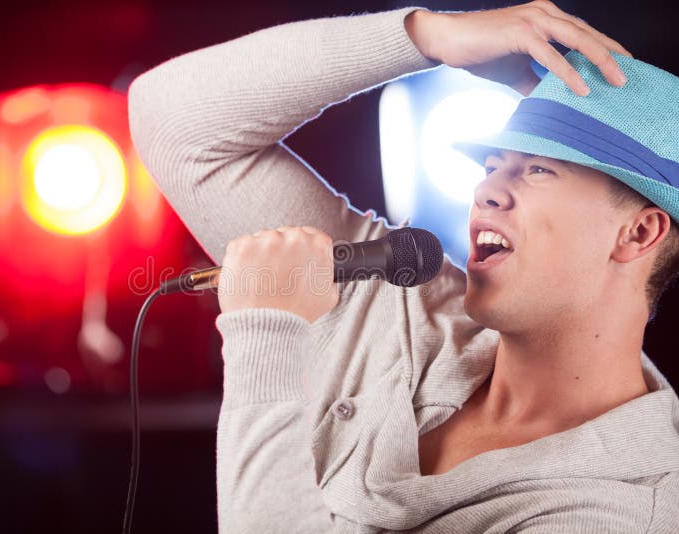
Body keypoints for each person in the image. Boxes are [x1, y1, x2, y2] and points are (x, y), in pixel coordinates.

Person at [128, 1, 679, 531]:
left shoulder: (621, 510)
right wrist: (425, 36)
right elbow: (176, 126)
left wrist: (266, 335)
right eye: (493, 165)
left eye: (536, 170)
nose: (487, 189)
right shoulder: (399, 301)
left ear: (638, 233)